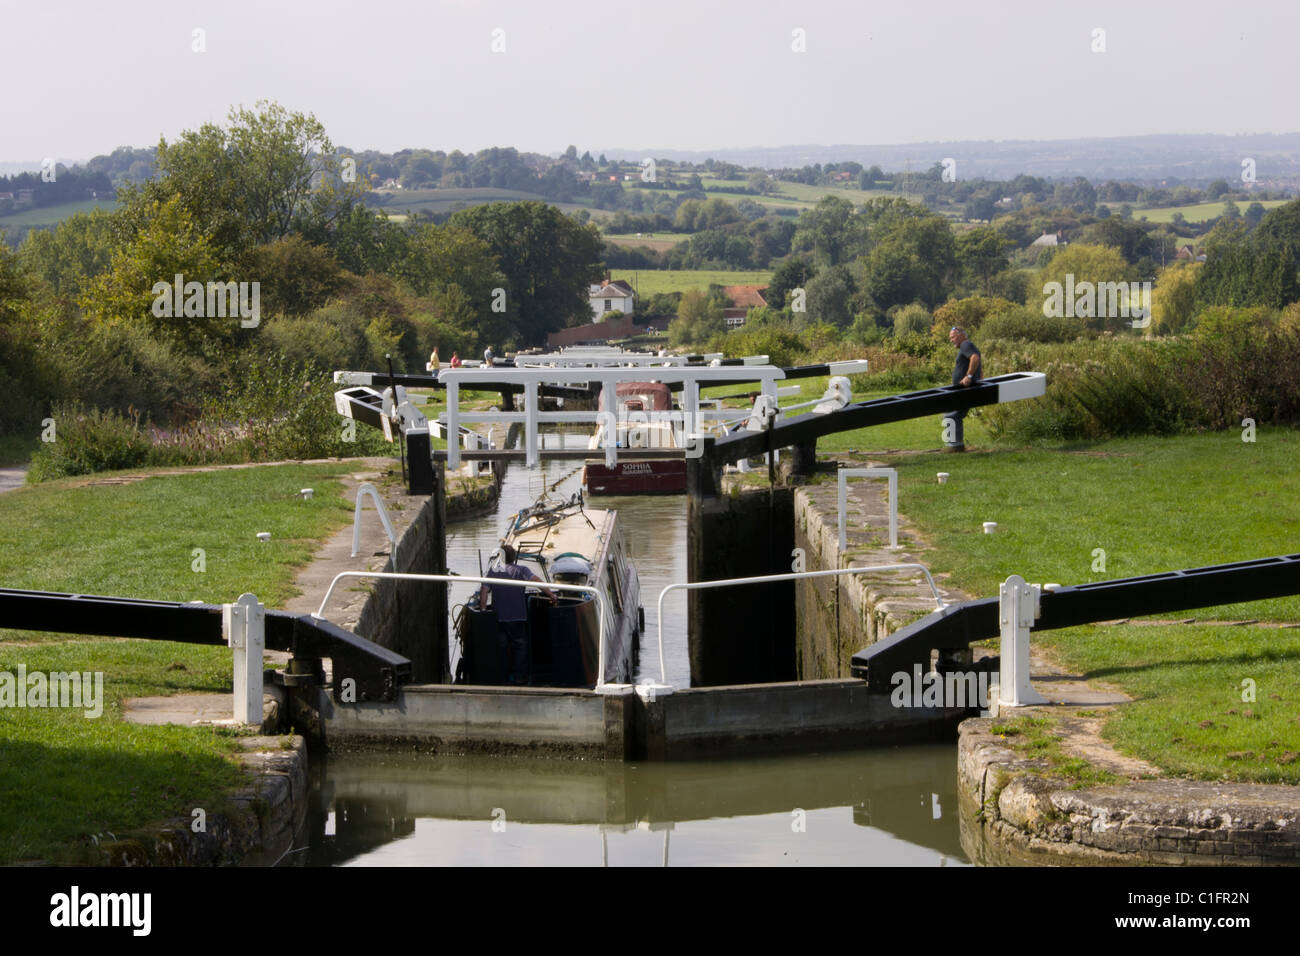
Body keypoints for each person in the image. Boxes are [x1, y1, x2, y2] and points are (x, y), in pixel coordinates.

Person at [479, 544, 556, 684]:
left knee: (502, 648)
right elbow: (537, 581)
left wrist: (483, 611)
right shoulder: (521, 570)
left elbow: (484, 590)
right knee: (521, 646)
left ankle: (502, 678)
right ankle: (520, 677)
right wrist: (551, 595)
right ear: (514, 557)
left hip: (499, 618)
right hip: (518, 617)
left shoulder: (493, 571)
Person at [943, 326, 982, 452]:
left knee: (952, 415)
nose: (951, 340)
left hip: (965, 388)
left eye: (953, 337)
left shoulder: (966, 344)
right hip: (964, 388)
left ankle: (954, 447)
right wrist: (978, 376)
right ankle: (955, 445)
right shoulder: (967, 346)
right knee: (953, 414)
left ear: (961, 335)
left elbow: (975, 358)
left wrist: (969, 377)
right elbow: (976, 362)